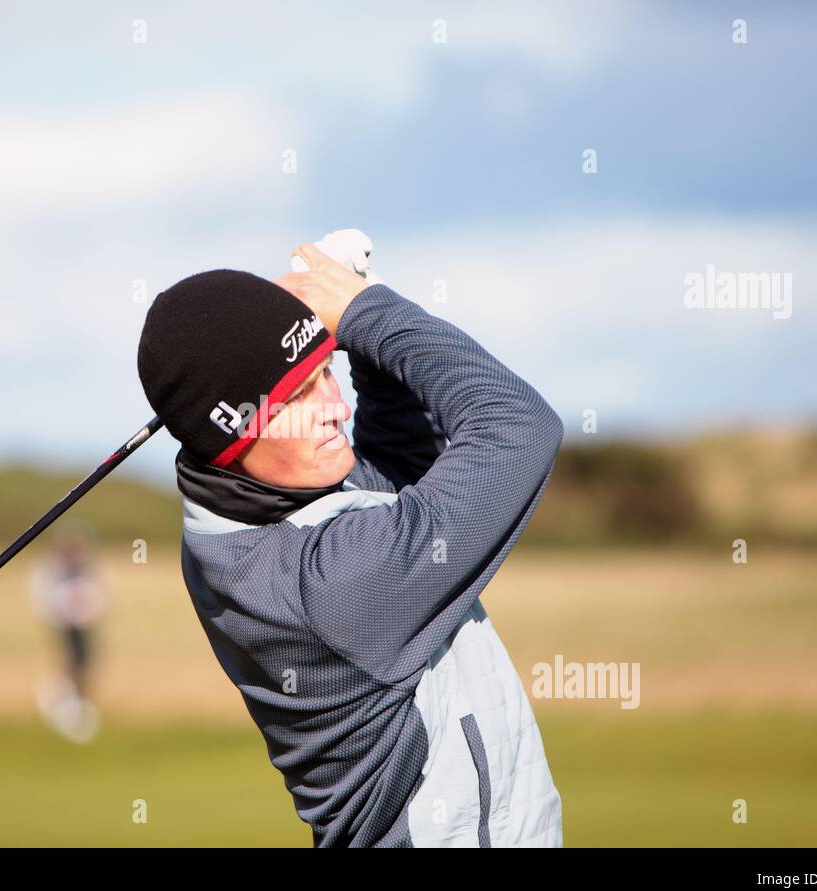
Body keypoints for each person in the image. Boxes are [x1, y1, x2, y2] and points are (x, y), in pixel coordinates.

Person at [136, 239, 565, 847]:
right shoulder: (322, 584)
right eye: (297, 396)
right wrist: (366, 311)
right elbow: (518, 428)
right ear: (231, 435)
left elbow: (398, 471)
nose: (335, 407)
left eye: (327, 372)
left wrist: (359, 346)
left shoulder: (248, 511)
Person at [29, 531, 107, 743]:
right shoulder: (52, 570)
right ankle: (64, 704)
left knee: (85, 663)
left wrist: (89, 613)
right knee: (71, 663)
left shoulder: (84, 569)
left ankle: (78, 706)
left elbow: (97, 595)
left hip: (82, 624)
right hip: (66, 625)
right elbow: (46, 599)